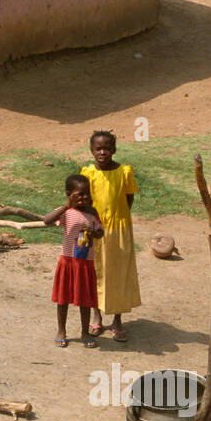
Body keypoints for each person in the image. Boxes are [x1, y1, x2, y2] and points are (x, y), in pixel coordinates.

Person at [80, 130, 141, 341]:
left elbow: (128, 200)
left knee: (119, 274)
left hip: (119, 231)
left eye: (107, 148)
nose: (103, 152)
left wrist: (118, 222)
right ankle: (96, 315)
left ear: (114, 150)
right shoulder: (88, 174)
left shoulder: (124, 172)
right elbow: (84, 203)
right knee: (95, 273)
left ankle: (117, 319)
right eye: (99, 149)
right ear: (92, 151)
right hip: (95, 231)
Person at [42, 174, 103, 348]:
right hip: (68, 262)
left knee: (85, 300)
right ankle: (61, 330)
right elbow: (46, 220)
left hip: (85, 263)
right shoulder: (67, 212)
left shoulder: (92, 212)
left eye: (87, 194)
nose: (84, 198)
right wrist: (66, 206)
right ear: (69, 194)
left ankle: (84, 332)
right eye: (79, 195)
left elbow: (101, 232)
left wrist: (94, 232)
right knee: (63, 299)